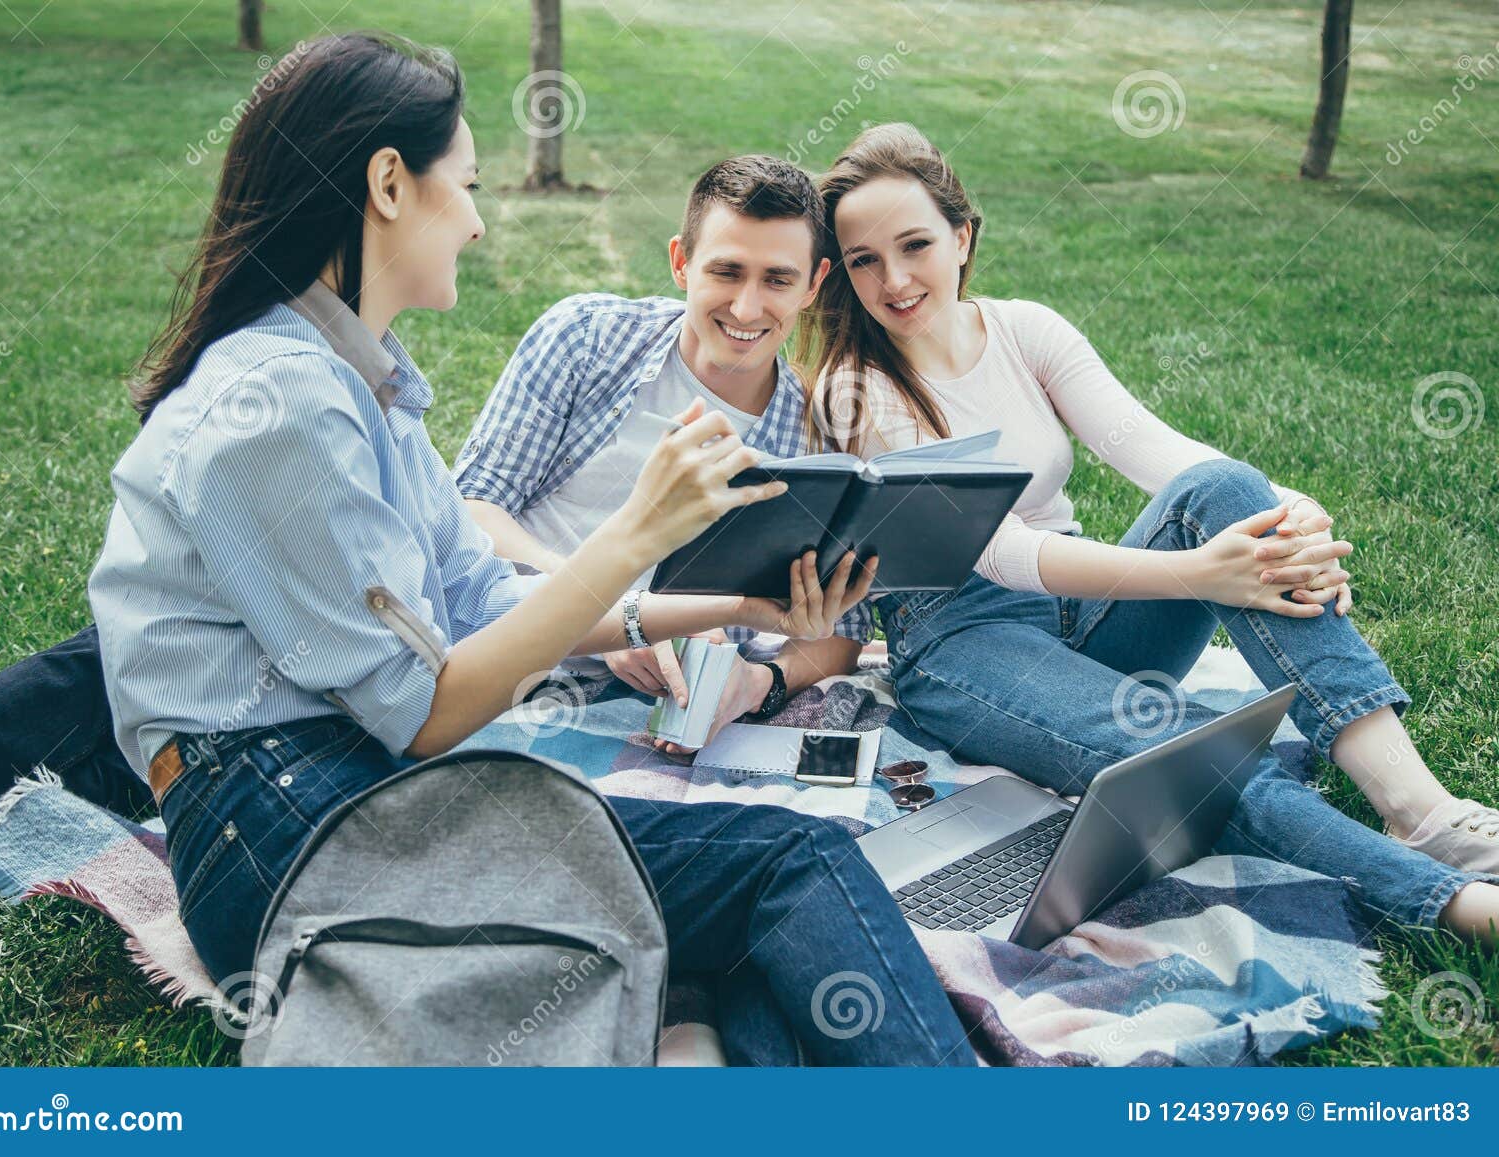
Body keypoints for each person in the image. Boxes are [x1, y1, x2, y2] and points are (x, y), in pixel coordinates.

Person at [79, 35, 967, 1067]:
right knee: (792, 861)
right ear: (388, 185)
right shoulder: (278, 401)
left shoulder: (362, 383)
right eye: (465, 184)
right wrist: (636, 532)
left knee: (741, 910)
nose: (477, 219)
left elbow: (482, 597)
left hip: (340, 798)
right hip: (287, 834)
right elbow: (424, 711)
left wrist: (741, 608)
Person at [803, 121, 1499, 943]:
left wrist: (1291, 509)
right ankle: (1451, 903)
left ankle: (1422, 811)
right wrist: (1201, 573)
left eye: (915, 245)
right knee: (1187, 750)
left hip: (1082, 616)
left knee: (1225, 487)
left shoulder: (1024, 330)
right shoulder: (856, 388)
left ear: (962, 237)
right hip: (962, 640)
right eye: (865, 261)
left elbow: (1152, 448)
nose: (894, 279)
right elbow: (1005, 552)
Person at [455, 154, 869, 753]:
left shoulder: (815, 434)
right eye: (726, 272)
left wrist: (759, 683)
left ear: (813, 284)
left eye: (777, 280)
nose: (747, 308)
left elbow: (843, 631)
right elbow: (473, 507)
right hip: (507, 654)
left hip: (670, 704)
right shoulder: (586, 338)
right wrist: (610, 616)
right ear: (681, 263)